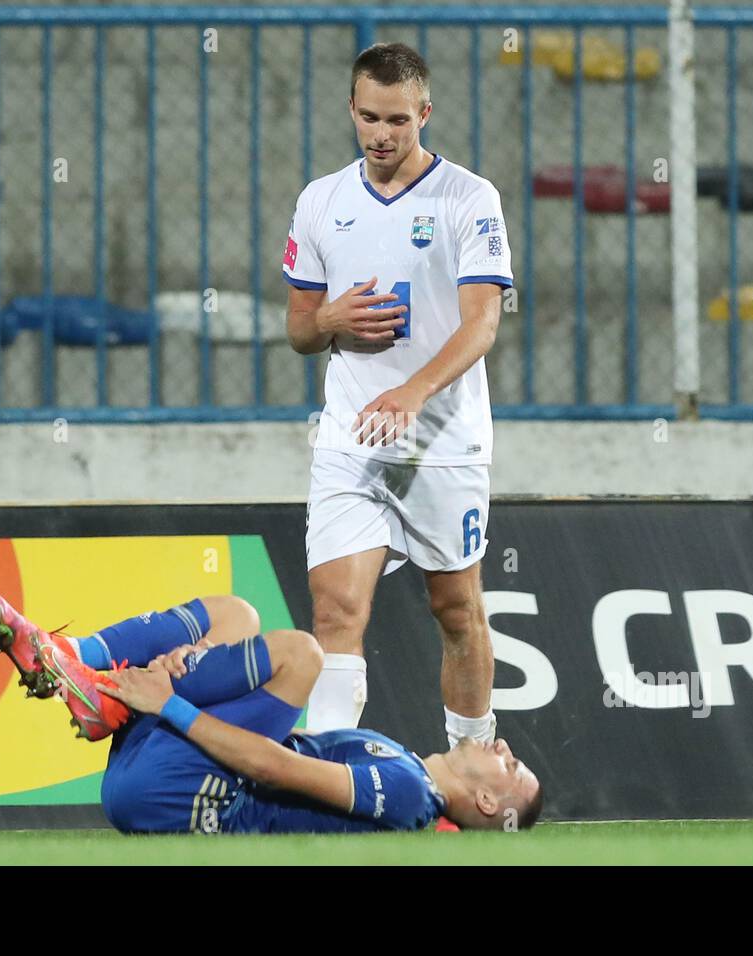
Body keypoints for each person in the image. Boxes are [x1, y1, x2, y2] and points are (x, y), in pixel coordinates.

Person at [283, 42, 513, 746]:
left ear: (425, 114)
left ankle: (473, 765)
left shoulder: (468, 199)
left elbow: (483, 323)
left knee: (455, 609)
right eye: (370, 118)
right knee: (336, 610)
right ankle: (327, 779)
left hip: (442, 437)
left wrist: (413, 392)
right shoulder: (321, 201)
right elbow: (298, 330)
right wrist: (327, 320)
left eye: (398, 121)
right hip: (352, 433)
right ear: (352, 110)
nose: (382, 135)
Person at [0, 590, 541, 833]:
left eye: (512, 768)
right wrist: (192, 670)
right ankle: (82, 662)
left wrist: (173, 702)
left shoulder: (409, 794)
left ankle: (99, 687)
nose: (504, 748)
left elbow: (276, 769)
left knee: (302, 654)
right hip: (150, 783)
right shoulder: (407, 769)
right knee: (235, 617)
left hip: (180, 795)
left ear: (488, 801)